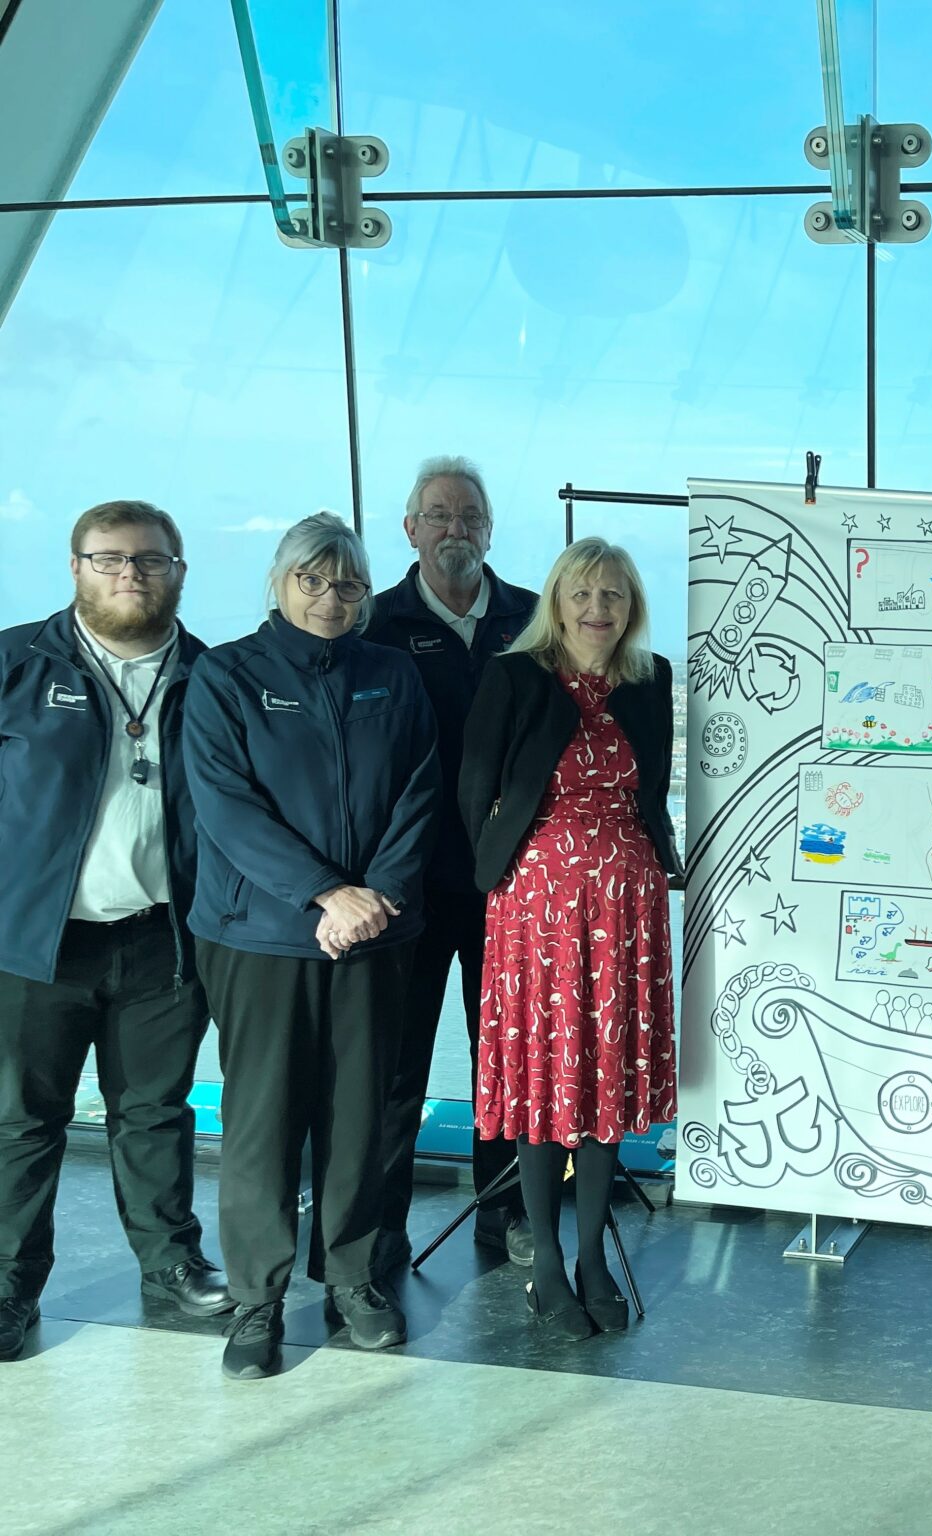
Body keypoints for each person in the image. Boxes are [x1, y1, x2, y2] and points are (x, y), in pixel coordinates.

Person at [184, 513, 440, 1379]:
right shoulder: (226, 675)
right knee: (261, 1122)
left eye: (350, 584)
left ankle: (355, 1280)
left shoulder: (391, 675)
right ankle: (259, 1301)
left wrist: (377, 897)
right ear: (280, 581)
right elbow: (224, 805)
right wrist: (325, 893)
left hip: (373, 933)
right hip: (260, 935)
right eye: (314, 581)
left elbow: (419, 791)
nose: (332, 598)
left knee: (359, 1115)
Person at [0, 502, 232, 1361]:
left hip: (161, 939)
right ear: (74, 568)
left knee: (155, 1113)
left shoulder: (213, 678)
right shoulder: (15, 662)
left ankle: (171, 1270)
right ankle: (9, 1292)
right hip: (37, 942)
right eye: (108, 559)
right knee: (23, 1121)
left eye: (149, 560)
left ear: (178, 571)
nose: (129, 573)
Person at [460, 538, 679, 1338]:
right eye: (583, 595)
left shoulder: (650, 684)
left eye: (614, 597)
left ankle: (592, 1257)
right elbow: (475, 795)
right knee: (547, 1080)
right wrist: (523, 879)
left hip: (628, 910)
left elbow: (653, 791)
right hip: (537, 911)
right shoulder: (515, 677)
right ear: (556, 602)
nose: (597, 611)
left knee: (603, 1083)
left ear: (632, 608)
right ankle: (546, 1265)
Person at [367, 456, 539, 1272]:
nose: (455, 530)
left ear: (490, 530)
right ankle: (382, 1226)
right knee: (396, 1067)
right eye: (438, 515)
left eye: (469, 516)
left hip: (508, 887)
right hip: (404, 886)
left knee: (502, 1062)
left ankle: (501, 1215)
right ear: (410, 530)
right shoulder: (373, 623)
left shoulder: (537, 622)